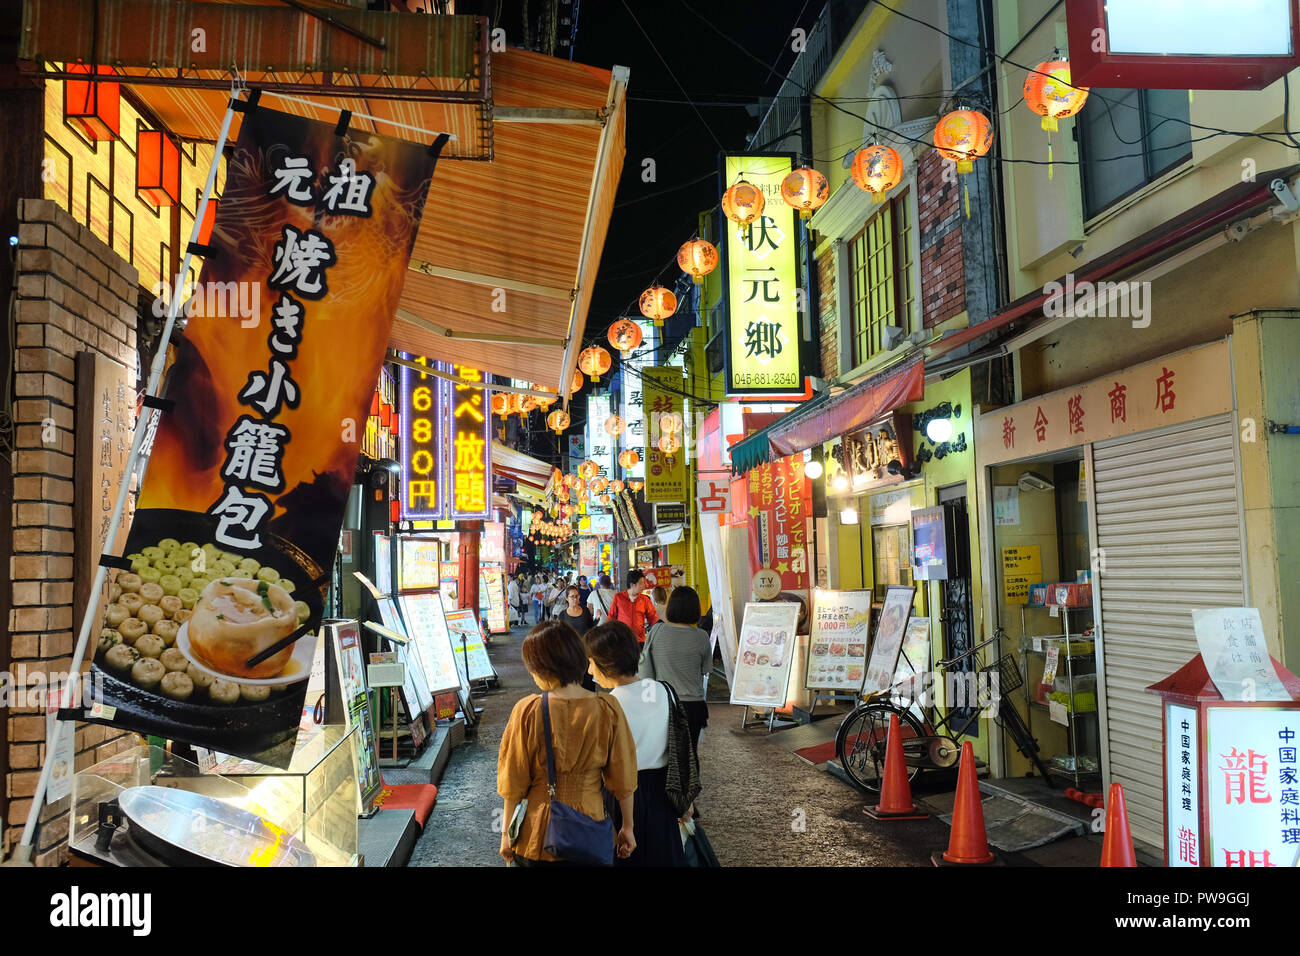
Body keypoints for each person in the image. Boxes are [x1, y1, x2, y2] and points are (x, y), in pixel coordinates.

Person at [497, 620, 638, 866]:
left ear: (542, 668)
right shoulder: (607, 708)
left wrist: (505, 834)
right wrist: (628, 826)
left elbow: (513, 781)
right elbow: (623, 777)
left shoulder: (527, 711)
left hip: (538, 833)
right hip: (590, 828)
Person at [583, 622, 687, 867]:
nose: (589, 671)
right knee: (665, 857)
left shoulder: (606, 707)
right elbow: (682, 752)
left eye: (591, 662)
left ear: (606, 664)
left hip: (620, 798)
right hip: (664, 794)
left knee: (627, 858)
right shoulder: (666, 691)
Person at [640, 585, 711, 752]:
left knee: (664, 755)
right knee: (689, 756)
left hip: (664, 704)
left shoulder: (656, 631)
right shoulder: (702, 636)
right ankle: (689, 779)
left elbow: (645, 668)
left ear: (671, 606)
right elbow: (705, 669)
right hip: (694, 707)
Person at [609, 569, 658, 644]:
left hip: (639, 641)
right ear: (632, 584)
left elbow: (653, 618)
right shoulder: (618, 597)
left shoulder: (645, 599)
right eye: (641, 583)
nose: (644, 586)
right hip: (622, 641)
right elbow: (611, 617)